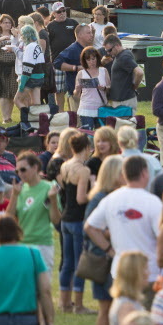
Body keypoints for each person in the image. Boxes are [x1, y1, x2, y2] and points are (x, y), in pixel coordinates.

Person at [87, 156, 163, 297]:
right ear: (145, 173)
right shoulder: (153, 202)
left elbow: (90, 227)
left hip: (120, 270)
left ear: (123, 174)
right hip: (148, 272)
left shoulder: (110, 199)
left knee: (123, 309)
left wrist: (110, 250)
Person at [57, 132, 92, 314]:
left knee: (67, 262)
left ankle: (64, 303)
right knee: (79, 263)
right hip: (78, 219)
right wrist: (95, 190)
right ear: (86, 148)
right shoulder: (83, 170)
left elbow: (65, 190)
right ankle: (78, 305)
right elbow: (81, 198)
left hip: (65, 218)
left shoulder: (64, 165)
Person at [6, 152, 60, 270]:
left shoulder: (49, 188)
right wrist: (14, 196)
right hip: (22, 245)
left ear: (35, 167)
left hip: (42, 244)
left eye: (23, 170)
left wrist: (53, 200)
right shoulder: (19, 190)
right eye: (17, 171)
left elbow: (56, 220)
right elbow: (8, 218)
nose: (20, 174)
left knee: (43, 282)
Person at [46, 3, 79, 112]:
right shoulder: (50, 26)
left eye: (64, 10)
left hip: (73, 62)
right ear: (54, 14)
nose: (62, 13)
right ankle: (61, 113)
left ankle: (73, 113)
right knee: (59, 90)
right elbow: (47, 44)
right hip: (58, 62)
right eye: (59, 12)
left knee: (73, 89)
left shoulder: (73, 23)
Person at [0, 14, 19, 123]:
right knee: (3, 92)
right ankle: (5, 117)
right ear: (0, 24)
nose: (7, 24)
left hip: (13, 67)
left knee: (12, 92)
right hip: (0, 67)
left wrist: (16, 36)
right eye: (5, 22)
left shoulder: (15, 34)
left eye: (9, 22)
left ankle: (9, 116)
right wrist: (0, 39)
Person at [73, 46, 110, 130]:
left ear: (97, 58)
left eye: (93, 59)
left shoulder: (103, 71)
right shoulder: (81, 73)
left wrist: (103, 88)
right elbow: (75, 95)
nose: (91, 62)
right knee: (87, 133)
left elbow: (109, 87)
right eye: (88, 60)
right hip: (86, 108)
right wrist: (78, 89)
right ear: (84, 61)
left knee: (101, 134)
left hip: (101, 108)